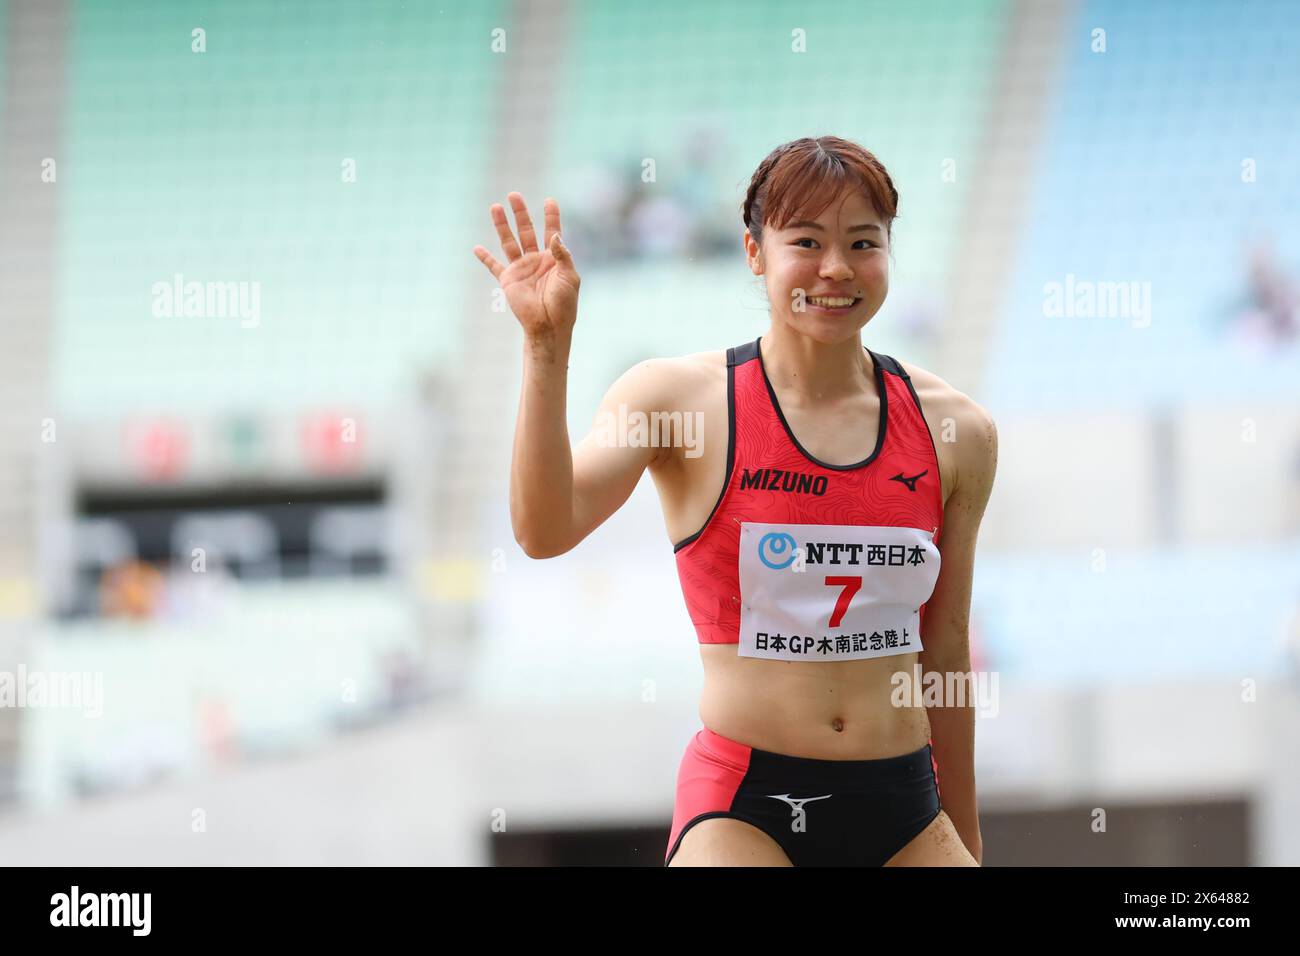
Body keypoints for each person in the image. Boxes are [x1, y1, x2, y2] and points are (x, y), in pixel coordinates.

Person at [473, 135, 998, 867]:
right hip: (745, 806)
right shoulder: (676, 401)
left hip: (906, 805)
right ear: (755, 253)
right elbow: (543, 528)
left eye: (863, 242)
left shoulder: (957, 431)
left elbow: (944, 651)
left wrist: (966, 837)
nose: (836, 269)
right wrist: (544, 346)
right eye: (806, 242)